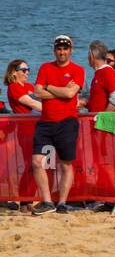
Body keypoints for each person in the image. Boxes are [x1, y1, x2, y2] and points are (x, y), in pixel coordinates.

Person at [30, 35, 85, 215]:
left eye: (65, 48)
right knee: (37, 161)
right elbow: (37, 92)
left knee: (65, 164)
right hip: (45, 121)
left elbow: (70, 94)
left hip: (67, 122)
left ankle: (61, 202)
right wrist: (58, 90)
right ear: (55, 50)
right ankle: (47, 201)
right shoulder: (46, 67)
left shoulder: (78, 70)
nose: (62, 52)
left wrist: (49, 87)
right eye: (59, 48)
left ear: (71, 50)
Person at [84, 40, 115, 114]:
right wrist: (85, 103)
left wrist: (103, 117)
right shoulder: (98, 74)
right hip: (98, 121)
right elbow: (98, 100)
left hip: (107, 123)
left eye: (88, 54)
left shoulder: (108, 72)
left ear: (91, 56)